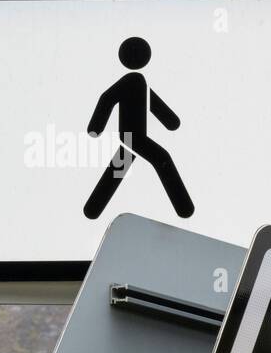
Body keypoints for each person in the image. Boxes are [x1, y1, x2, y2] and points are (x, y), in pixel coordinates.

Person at [83, 36, 193, 219]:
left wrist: (170, 121)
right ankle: (184, 207)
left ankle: (93, 208)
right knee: (161, 158)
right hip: (134, 136)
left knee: (121, 165)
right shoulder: (131, 81)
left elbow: (150, 101)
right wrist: (95, 128)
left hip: (131, 136)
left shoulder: (137, 81)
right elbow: (107, 99)